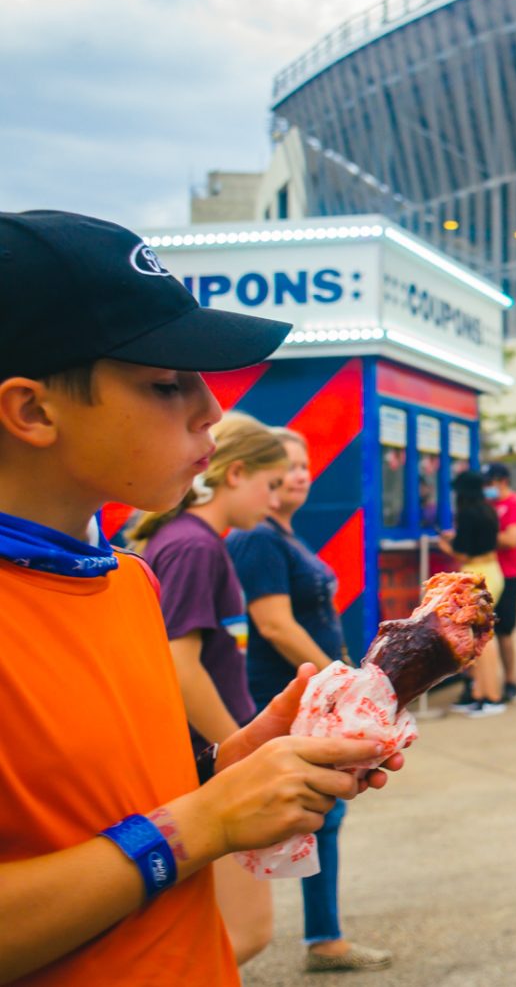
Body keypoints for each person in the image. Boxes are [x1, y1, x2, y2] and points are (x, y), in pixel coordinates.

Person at [0, 209, 399, 986]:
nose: (211, 411)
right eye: (165, 383)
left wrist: (229, 764)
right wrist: (205, 821)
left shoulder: (127, 579)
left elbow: (110, 807)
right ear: (31, 411)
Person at [228, 428, 394, 974]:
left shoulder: (282, 536)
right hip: (289, 699)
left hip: (312, 699)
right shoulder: (258, 540)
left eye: (304, 464)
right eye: (286, 465)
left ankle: (324, 935)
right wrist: (338, 681)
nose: (298, 473)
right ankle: (317, 939)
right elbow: (273, 623)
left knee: (326, 813)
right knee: (315, 812)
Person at [130, 413, 292, 965]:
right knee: (240, 934)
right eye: (271, 484)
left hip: (201, 762)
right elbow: (180, 665)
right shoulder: (194, 547)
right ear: (235, 472)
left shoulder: (190, 540)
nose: (274, 501)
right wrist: (238, 753)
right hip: (206, 764)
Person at [439, 469, 507, 715]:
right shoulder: (488, 510)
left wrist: (446, 545)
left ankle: (492, 698)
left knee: (482, 640)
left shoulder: (466, 513)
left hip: (477, 574)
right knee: (481, 636)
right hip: (493, 570)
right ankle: (480, 694)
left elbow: (462, 552)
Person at [483, 463, 516, 703]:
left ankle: (510, 680)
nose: (486, 487)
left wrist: (478, 536)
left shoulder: (515, 504)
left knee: (505, 631)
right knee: (480, 633)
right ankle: (481, 683)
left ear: (502, 481)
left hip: (508, 574)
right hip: (483, 575)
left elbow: (512, 539)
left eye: (489, 482)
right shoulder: (486, 505)